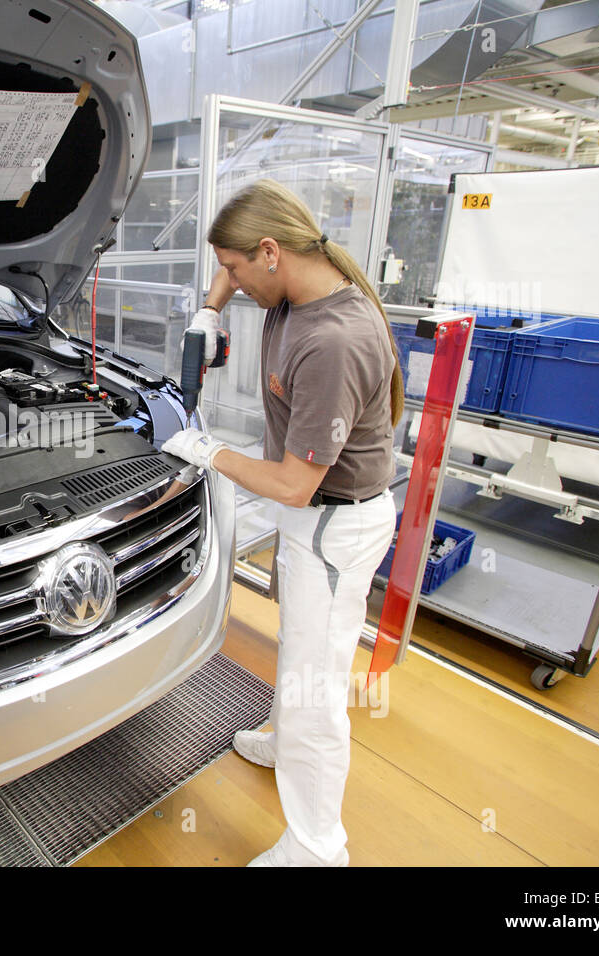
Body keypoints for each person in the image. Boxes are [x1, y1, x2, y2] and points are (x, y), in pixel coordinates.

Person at [162, 179, 405, 867]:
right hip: (322, 523)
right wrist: (210, 308)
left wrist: (212, 452)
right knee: (299, 651)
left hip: (331, 525)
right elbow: (227, 263)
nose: (232, 281)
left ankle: (317, 846)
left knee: (316, 685)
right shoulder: (298, 283)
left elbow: (295, 487)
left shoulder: (332, 340)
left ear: (270, 252)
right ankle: (280, 735)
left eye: (237, 270)